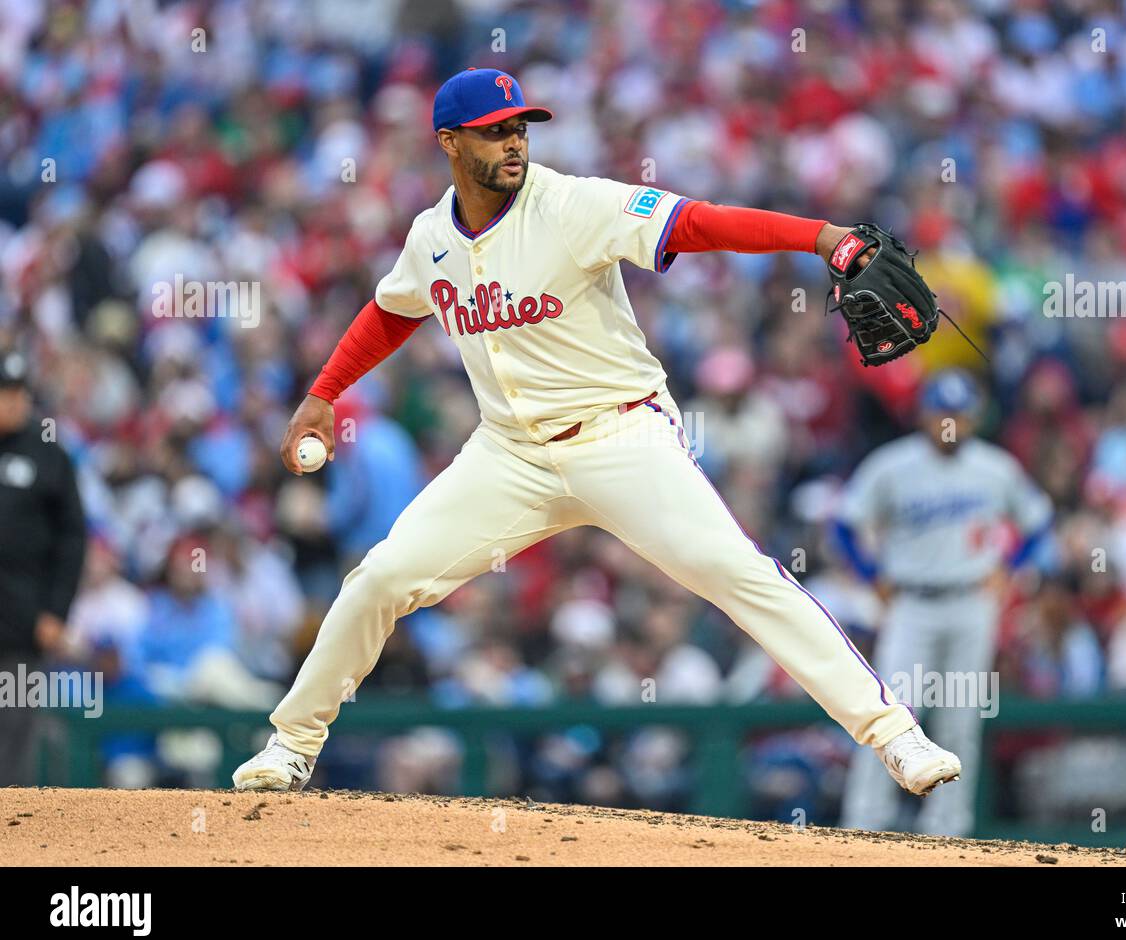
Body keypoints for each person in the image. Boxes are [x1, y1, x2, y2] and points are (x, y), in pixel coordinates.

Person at [233, 67, 959, 797]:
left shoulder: (574, 204)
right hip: (509, 454)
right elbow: (396, 308)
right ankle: (291, 745)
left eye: (520, 126)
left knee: (734, 572)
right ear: (450, 143)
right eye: (495, 131)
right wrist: (325, 391)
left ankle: (893, 735)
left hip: (619, 437)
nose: (514, 142)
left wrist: (822, 236)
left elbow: (696, 222)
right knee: (381, 578)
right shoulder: (431, 237)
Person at [836, 369, 1052, 836]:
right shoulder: (892, 465)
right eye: (941, 413)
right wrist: (872, 574)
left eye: (959, 414)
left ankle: (947, 834)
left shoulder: (995, 467)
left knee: (959, 724)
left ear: (973, 418)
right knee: (891, 718)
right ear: (924, 416)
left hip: (972, 602)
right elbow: (844, 523)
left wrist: (1010, 566)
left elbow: (1038, 521)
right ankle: (865, 826)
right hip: (912, 605)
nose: (950, 423)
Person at [0, 351, 87, 786]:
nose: (11, 403)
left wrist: (56, 611)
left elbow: (73, 536)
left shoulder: (48, 451)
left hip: (22, 621)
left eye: (17, 394)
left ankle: (9, 828)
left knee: (14, 733)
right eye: (3, 394)